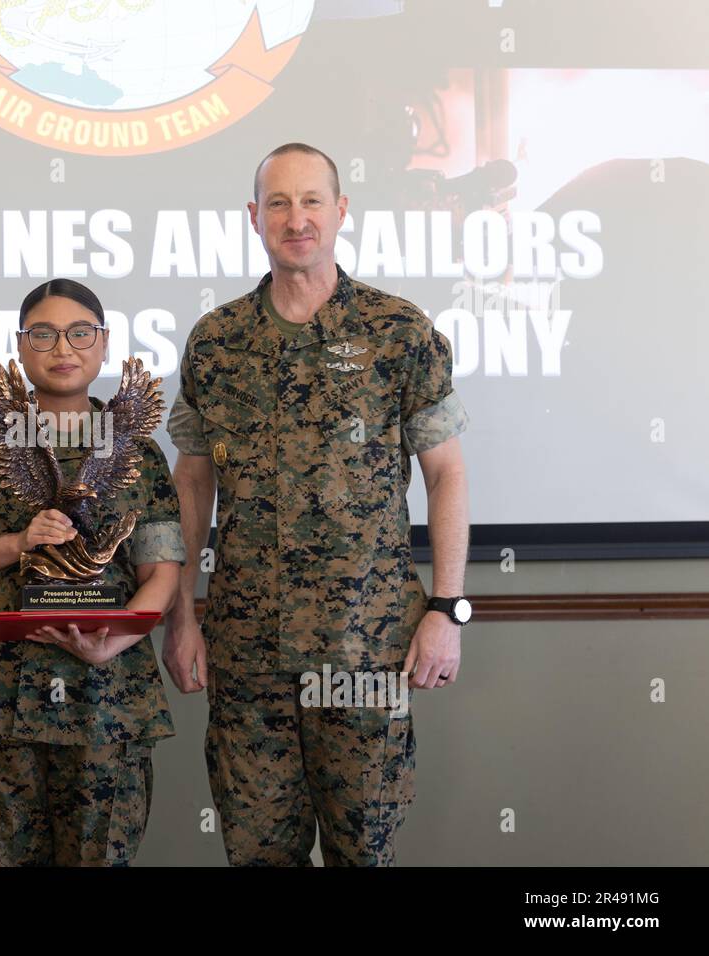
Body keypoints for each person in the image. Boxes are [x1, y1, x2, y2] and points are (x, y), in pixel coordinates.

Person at [164, 143, 471, 866]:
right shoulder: (216, 343)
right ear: (254, 217)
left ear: (340, 211)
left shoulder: (398, 332)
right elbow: (191, 484)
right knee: (258, 853)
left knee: (363, 853)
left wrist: (447, 610)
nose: (295, 218)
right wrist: (182, 616)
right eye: (277, 202)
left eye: (310, 201)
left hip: (365, 650)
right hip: (248, 657)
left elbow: (448, 474)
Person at [0, 279, 185, 866]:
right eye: (43, 333)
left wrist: (119, 639)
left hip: (104, 694)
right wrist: (18, 541)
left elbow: (162, 570)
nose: (62, 347)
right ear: (21, 345)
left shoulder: (137, 450)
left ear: (104, 344)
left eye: (79, 332)